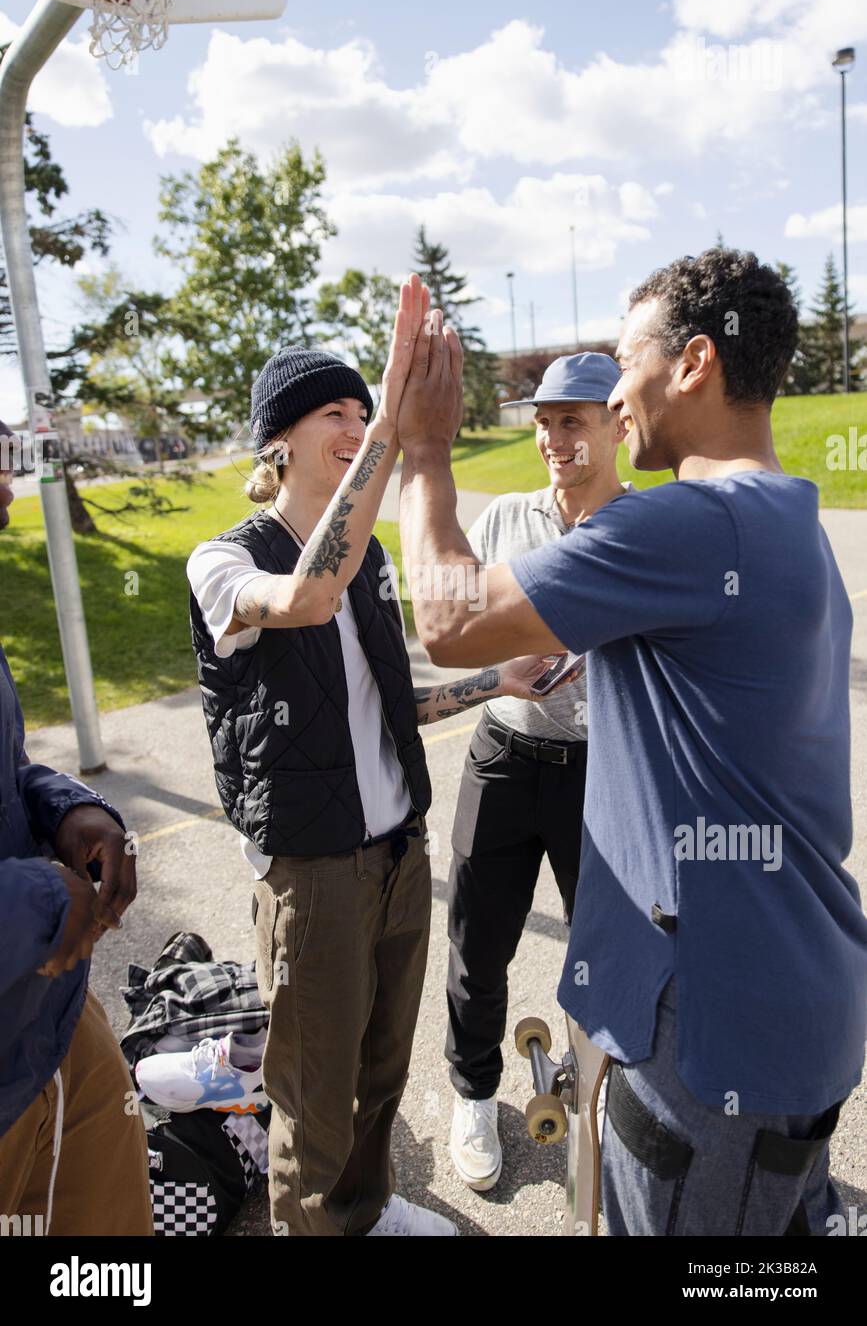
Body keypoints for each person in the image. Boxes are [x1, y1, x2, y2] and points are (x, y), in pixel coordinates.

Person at [396, 249, 867, 1236]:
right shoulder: (785, 515)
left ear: (695, 362)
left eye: (625, 363)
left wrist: (426, 452)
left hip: (717, 1028)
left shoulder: (696, 520)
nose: (614, 401)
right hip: (788, 996)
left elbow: (444, 621)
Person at [186, 276, 563, 1238]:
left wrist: (497, 683)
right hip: (312, 874)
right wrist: (398, 429)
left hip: (398, 855)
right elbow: (305, 596)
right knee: (312, 1096)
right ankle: (316, 1223)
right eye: (334, 412)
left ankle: (366, 1208)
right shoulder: (223, 562)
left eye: (365, 408)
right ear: (278, 440)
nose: (357, 423)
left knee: (380, 1070)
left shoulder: (373, 565)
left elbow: (395, 703)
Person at [447, 353, 629, 1191]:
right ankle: (474, 1092)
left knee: (603, 954)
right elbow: (459, 630)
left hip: (604, 774)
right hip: (504, 757)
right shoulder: (504, 519)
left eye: (573, 420)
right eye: (544, 420)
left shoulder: (646, 528)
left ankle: (602, 1101)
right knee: (478, 944)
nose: (553, 436)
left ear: (617, 424)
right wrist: (505, 655)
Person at [0, 419, 151, 1237]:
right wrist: (36, 899)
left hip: (51, 1021)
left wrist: (68, 809)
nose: (9, 491)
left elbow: (6, 772)